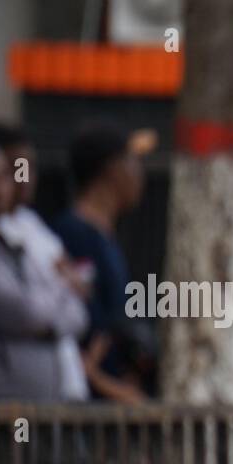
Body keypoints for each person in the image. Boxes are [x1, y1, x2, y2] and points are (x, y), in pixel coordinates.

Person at [0, 126, 87, 400]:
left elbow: (78, 315)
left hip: (52, 401)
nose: (1, 186)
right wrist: (64, 285)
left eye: (2, 176)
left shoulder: (26, 230)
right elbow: (26, 312)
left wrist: (50, 311)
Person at [52, 122, 155, 403]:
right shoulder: (71, 235)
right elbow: (83, 327)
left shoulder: (107, 236)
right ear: (112, 169)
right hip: (86, 403)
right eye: (133, 162)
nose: (140, 174)